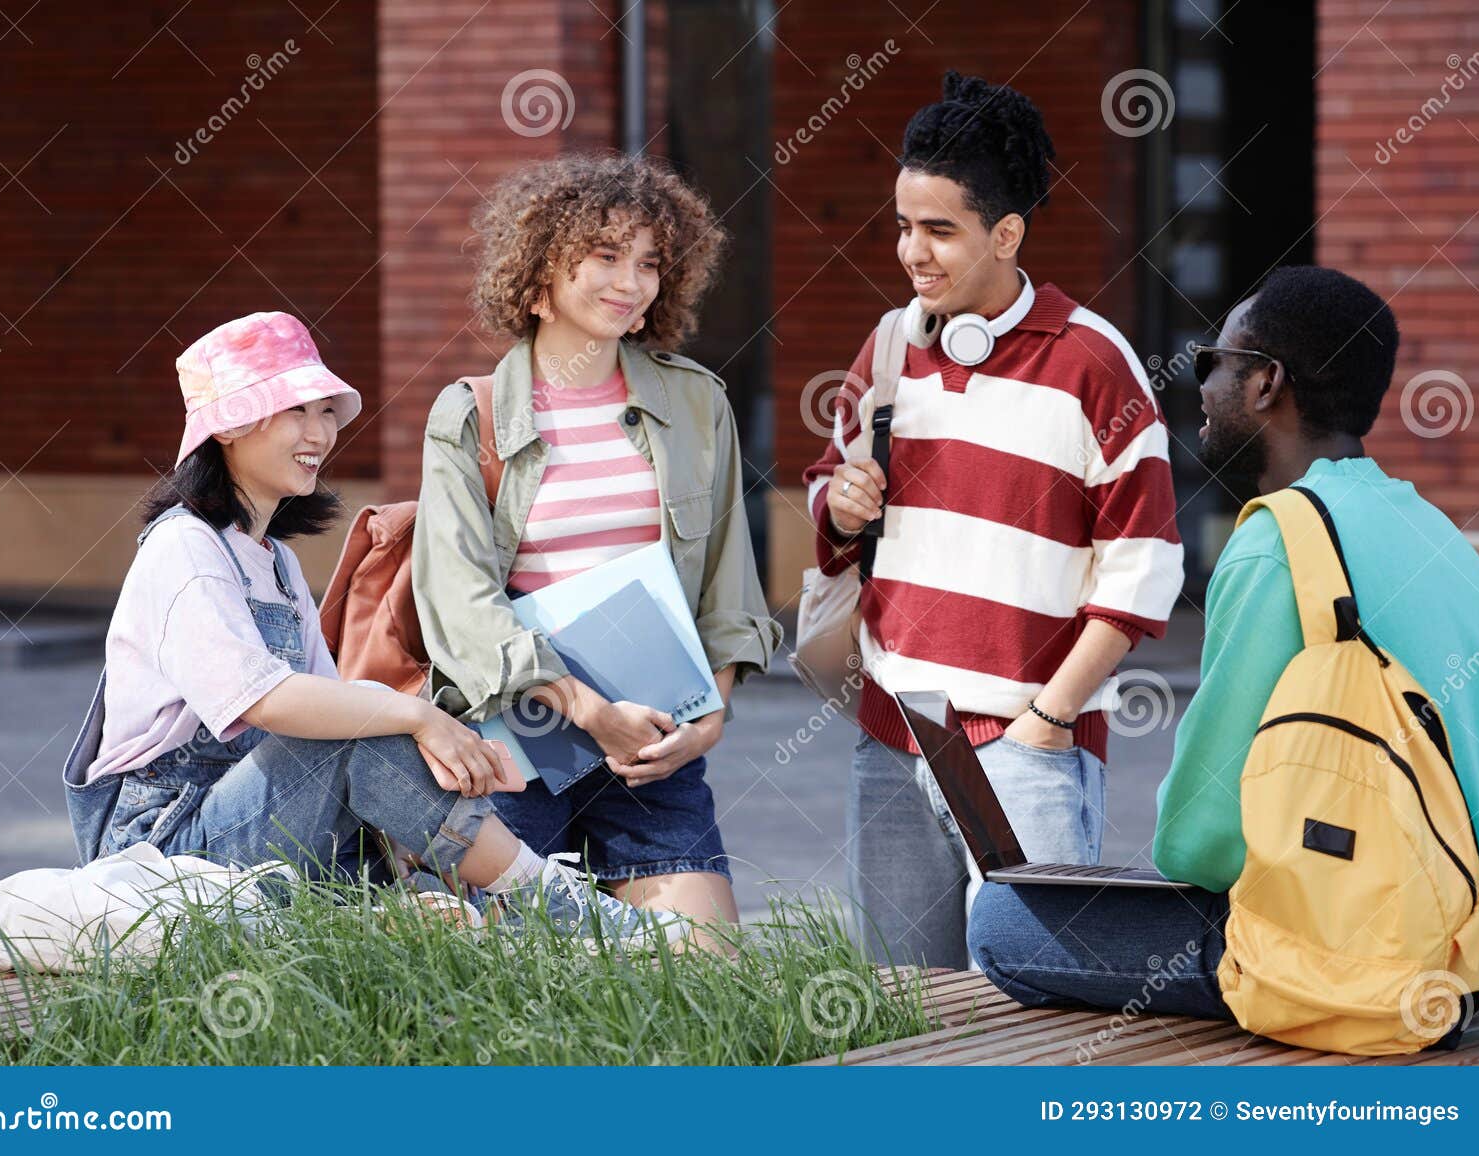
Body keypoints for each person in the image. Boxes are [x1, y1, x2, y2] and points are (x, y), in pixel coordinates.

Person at [61, 310, 681, 949]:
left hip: (249, 824)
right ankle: (550, 904)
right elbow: (266, 700)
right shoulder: (183, 550)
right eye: (297, 410)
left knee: (379, 731)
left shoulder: (276, 563)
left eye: (327, 412)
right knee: (373, 724)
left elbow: (338, 706)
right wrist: (418, 719)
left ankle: (503, 906)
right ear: (232, 426)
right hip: (160, 852)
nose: (320, 432)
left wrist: (439, 737)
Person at [968, 265, 1479, 1019]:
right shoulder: (1436, 531)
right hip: (1467, 933)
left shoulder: (1281, 540)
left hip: (1369, 950)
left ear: (1267, 384)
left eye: (1214, 362)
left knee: (1006, 922)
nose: (1200, 387)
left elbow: (1198, 844)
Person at [801, 71, 1182, 968]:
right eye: (903, 226)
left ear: (1007, 233)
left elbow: (1143, 566)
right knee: (910, 1011)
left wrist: (1047, 721)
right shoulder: (891, 344)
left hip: (1026, 749)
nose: (912, 253)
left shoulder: (1094, 364)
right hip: (893, 740)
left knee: (1030, 1012)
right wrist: (840, 504)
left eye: (940, 230)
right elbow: (827, 483)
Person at [413, 153, 780, 930]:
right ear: (541, 274)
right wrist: (582, 706)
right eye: (606, 256)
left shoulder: (696, 401)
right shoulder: (469, 415)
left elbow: (727, 583)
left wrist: (711, 710)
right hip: (517, 741)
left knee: (705, 971)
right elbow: (459, 603)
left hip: (650, 746)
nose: (631, 281)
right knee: (512, 984)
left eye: (649, 263)